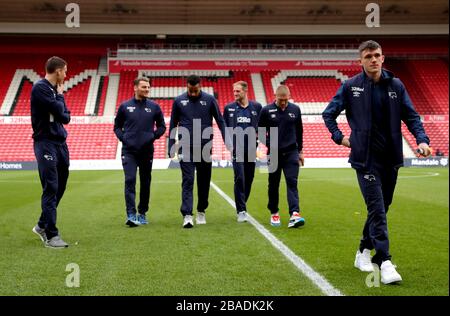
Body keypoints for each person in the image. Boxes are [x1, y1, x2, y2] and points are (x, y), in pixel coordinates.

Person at [322, 40, 431, 284]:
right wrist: (340, 138)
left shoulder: (396, 85)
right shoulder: (351, 86)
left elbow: (412, 116)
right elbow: (328, 113)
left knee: (382, 207)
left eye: (377, 55)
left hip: (391, 159)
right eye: (368, 56)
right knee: (378, 210)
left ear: (383, 58)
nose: (373, 59)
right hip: (365, 160)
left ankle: (362, 251)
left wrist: (421, 140)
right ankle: (384, 261)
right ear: (360, 61)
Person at [168, 74, 226, 228]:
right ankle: (187, 215)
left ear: (200, 86)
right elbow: (173, 124)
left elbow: (220, 120)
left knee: (204, 181)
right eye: (190, 90)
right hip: (185, 147)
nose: (193, 94)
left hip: (205, 147)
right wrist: (171, 146)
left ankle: (201, 210)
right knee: (187, 180)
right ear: (187, 86)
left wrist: (228, 139)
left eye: (195, 91)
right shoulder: (179, 101)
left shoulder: (209, 99)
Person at [114, 77, 166, 227]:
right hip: (129, 151)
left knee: (145, 182)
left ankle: (142, 213)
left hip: (146, 151)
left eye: (148, 87)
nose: (147, 90)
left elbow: (162, 126)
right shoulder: (125, 106)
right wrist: (124, 138)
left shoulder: (154, 107)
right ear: (135, 88)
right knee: (130, 180)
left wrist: (152, 137)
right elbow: (117, 127)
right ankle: (131, 214)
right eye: (144, 87)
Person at [31, 56, 71, 248]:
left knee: (61, 185)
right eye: (65, 70)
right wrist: (61, 98)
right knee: (51, 187)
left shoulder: (54, 91)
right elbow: (60, 111)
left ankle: (41, 224)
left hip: (60, 143)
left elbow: (65, 117)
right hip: (45, 142)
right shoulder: (40, 88)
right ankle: (51, 234)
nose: (66, 74)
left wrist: (60, 102)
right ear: (58, 71)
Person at [258, 85, 305, 228]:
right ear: (275, 96)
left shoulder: (295, 110)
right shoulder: (266, 110)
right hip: (273, 154)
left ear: (289, 97)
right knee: (273, 184)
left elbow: (299, 132)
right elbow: (260, 132)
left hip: (291, 153)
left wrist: (301, 151)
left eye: (286, 99)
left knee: (292, 183)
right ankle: (274, 212)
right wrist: (270, 144)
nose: (283, 102)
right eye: (281, 99)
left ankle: (294, 214)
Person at [223, 81, 262, 222]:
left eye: (237, 91)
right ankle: (241, 210)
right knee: (239, 178)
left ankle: (242, 204)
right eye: (234, 91)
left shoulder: (257, 107)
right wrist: (229, 144)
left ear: (245, 91)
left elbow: (262, 127)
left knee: (249, 179)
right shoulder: (229, 108)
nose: (235, 93)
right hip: (236, 149)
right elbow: (224, 128)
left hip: (251, 149)